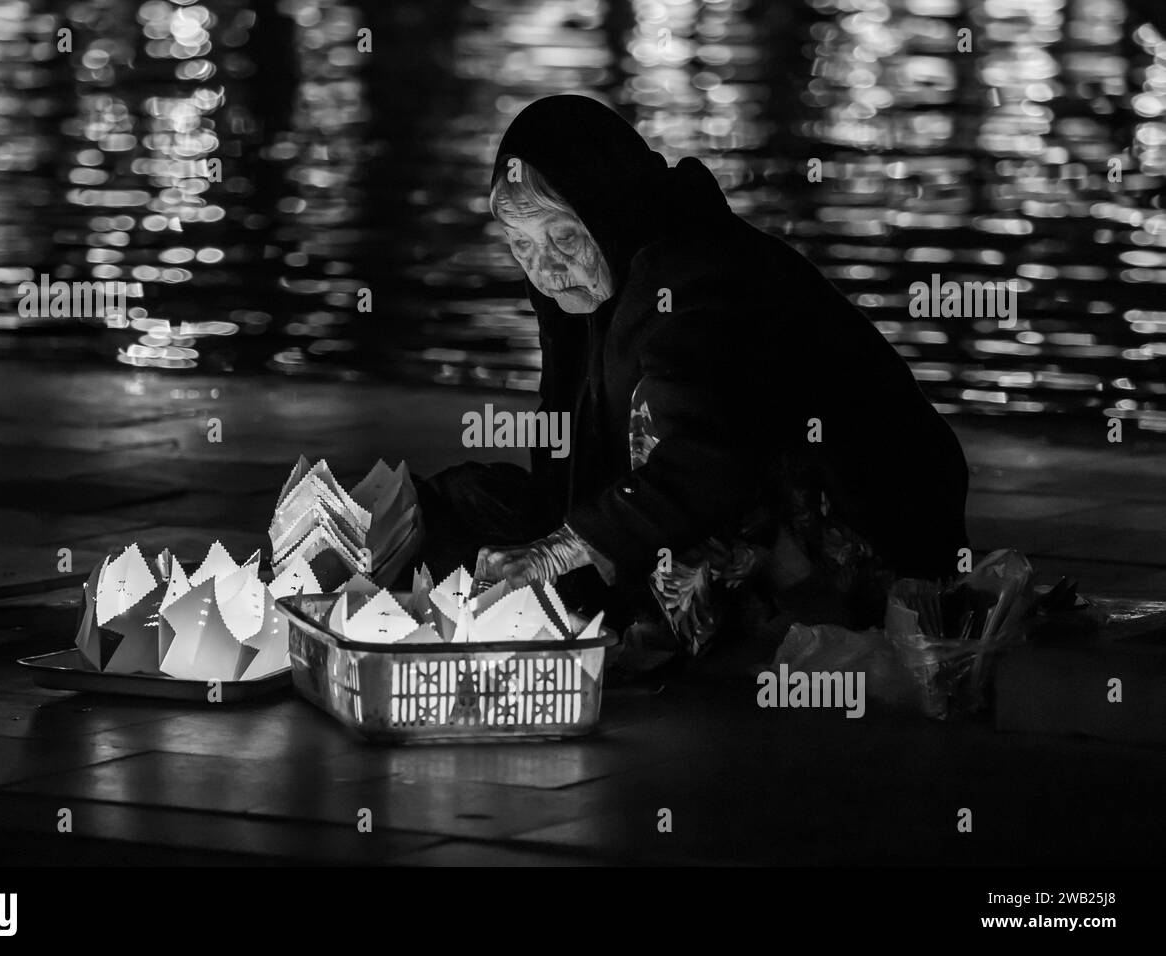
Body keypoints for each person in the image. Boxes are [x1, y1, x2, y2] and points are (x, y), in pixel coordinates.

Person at [415, 94, 969, 672]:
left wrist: (565, 551)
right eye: (521, 244)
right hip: (734, 492)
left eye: (563, 238)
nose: (545, 268)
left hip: (872, 535)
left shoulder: (695, 270)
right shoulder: (598, 276)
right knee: (468, 509)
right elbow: (572, 449)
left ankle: (802, 616)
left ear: (609, 212)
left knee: (667, 531)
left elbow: (712, 456)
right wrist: (550, 547)